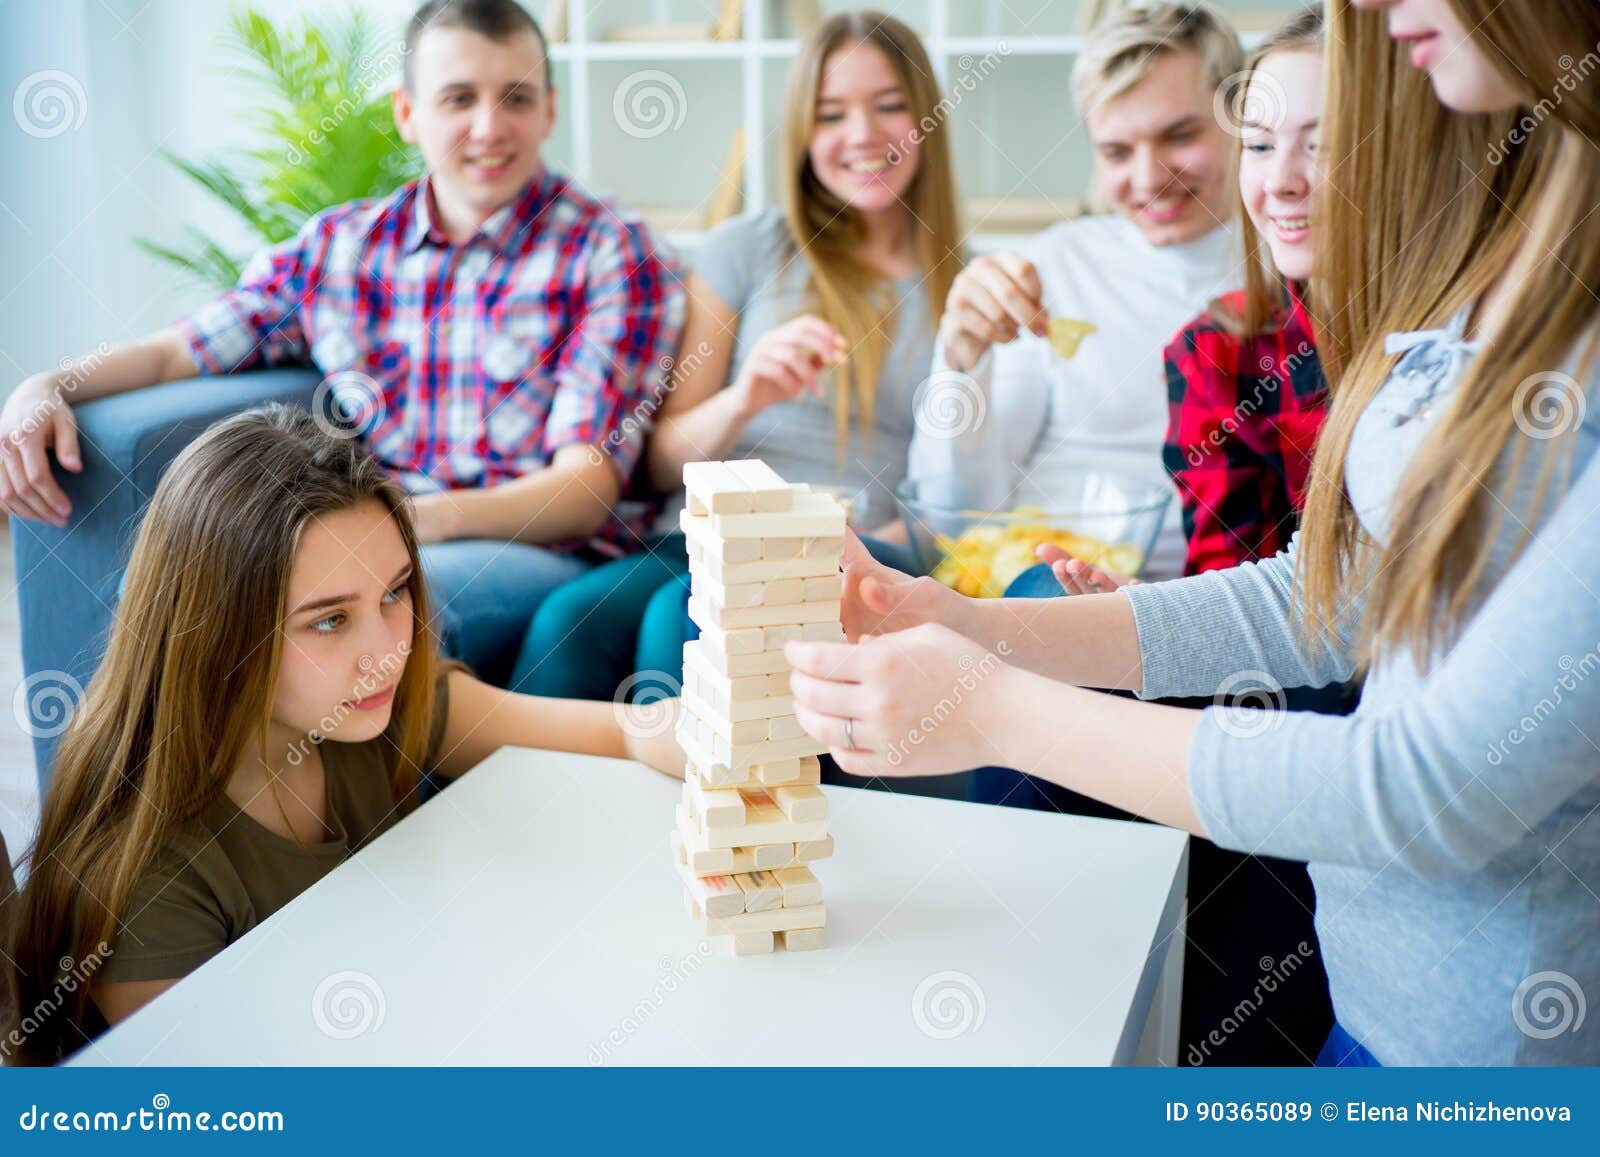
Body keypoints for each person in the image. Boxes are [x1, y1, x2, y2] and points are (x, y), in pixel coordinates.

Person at [786, 0, 1600, 1066]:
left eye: (1317, 141)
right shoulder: (1486, 293)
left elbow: (1426, 788)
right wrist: (975, 623)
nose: (1282, 180)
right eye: (1263, 142)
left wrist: (992, 706)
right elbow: (1322, 592)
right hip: (1375, 1009)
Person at [0, 0, 685, 687]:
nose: (489, 126)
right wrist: (47, 385)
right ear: (408, 112)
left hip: (536, 546)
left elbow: (582, 489)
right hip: (374, 536)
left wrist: (408, 523)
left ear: (549, 110)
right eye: (458, 98)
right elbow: (178, 352)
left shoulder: (609, 250)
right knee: (176, 595)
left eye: (516, 98)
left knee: (348, 616)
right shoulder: (341, 246)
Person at [4, 406, 683, 1065]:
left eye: (393, 592)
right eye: (329, 620)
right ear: (216, 634)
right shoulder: (145, 880)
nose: (388, 649)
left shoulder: (378, 704)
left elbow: (631, 730)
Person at [515, 10, 961, 703]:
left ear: (926, 117)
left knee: (681, 622)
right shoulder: (748, 247)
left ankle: (706, 812)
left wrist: (864, 541)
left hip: (856, 547)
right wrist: (745, 395)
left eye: (890, 106)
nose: (862, 135)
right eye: (831, 113)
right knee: (566, 621)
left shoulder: (961, 288)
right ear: (803, 133)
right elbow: (665, 461)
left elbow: (964, 491)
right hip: (703, 535)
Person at [908, 2, 1244, 584]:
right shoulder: (1051, 268)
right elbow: (954, 517)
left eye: (1180, 135)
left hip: (1191, 599)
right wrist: (960, 362)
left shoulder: (1295, 264)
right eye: (1116, 152)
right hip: (1045, 579)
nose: (1147, 178)